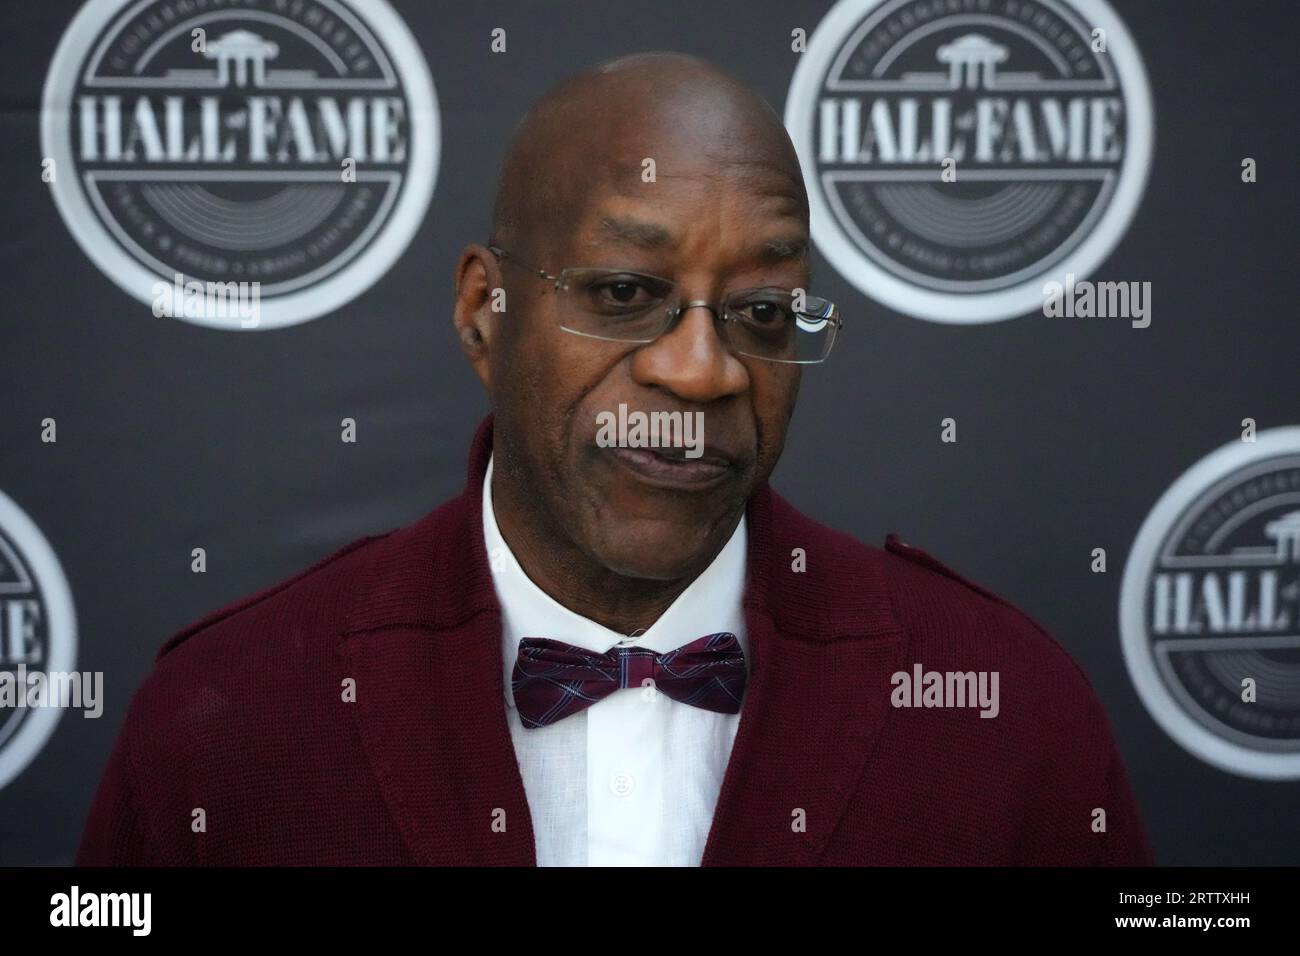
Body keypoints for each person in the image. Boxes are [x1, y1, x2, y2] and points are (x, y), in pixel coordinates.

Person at [77, 52, 1151, 866]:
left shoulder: (1007, 709)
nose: (701, 371)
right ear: (481, 312)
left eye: (763, 308)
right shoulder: (228, 717)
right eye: (624, 294)